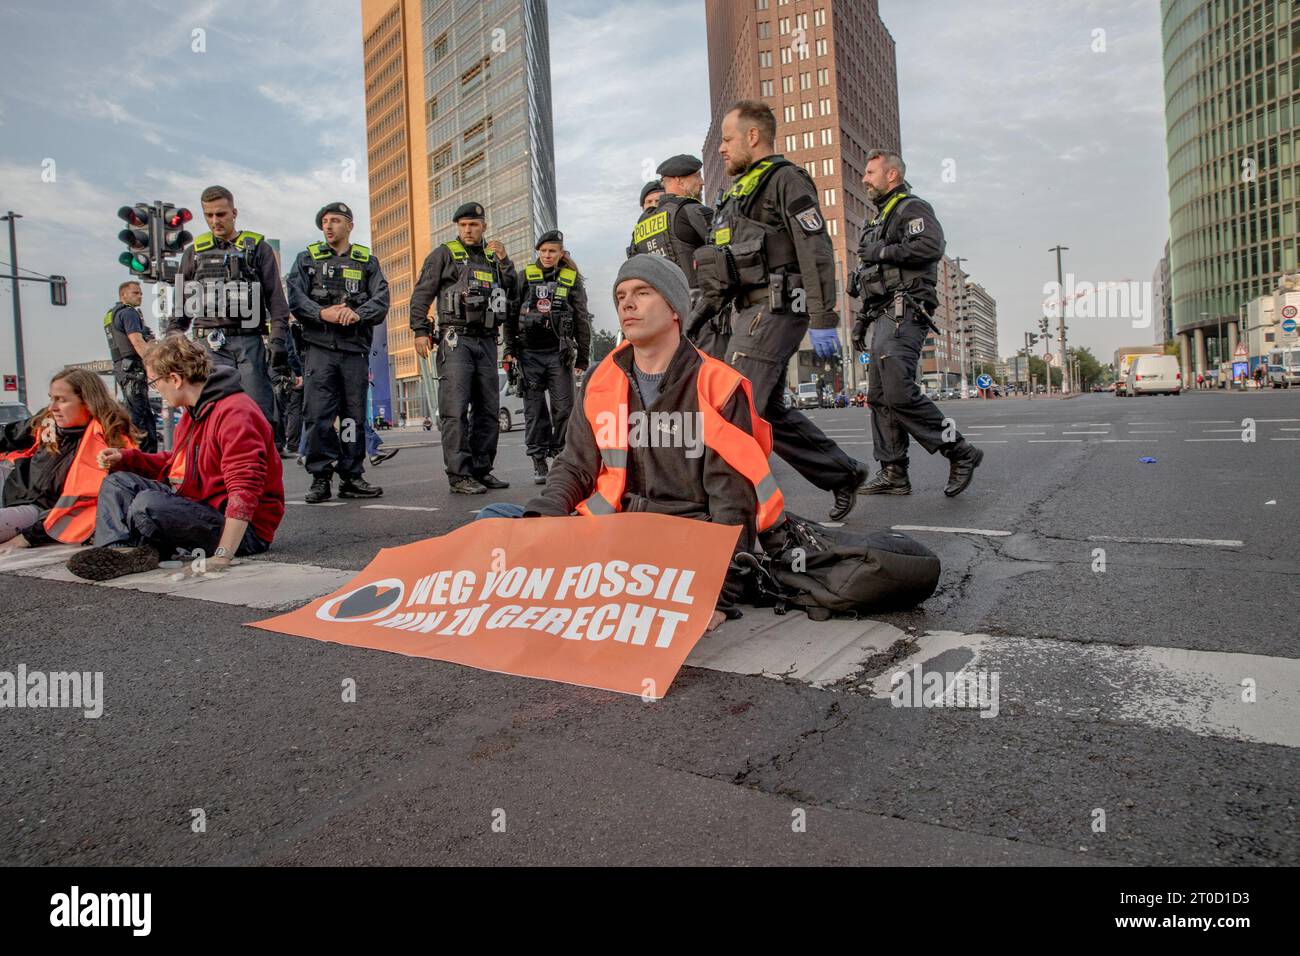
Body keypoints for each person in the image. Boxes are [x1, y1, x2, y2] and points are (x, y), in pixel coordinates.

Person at [479, 255, 785, 631]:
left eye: (642, 292)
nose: (627, 303)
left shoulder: (718, 385)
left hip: (680, 544)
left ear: (674, 309)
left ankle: (587, 585)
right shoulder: (602, 379)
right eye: (621, 295)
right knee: (494, 520)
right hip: (613, 536)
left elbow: (732, 500)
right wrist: (545, 519)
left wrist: (718, 593)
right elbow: (574, 465)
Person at [696, 100, 867, 520]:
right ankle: (842, 473)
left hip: (774, 311)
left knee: (732, 408)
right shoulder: (737, 194)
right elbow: (725, 269)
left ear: (753, 136)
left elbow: (816, 249)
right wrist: (694, 320)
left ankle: (731, 516)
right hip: (748, 313)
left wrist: (824, 318)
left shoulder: (785, 180)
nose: (721, 148)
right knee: (768, 411)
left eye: (728, 139)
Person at [67, 335, 284, 581]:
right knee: (118, 483)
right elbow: (178, 465)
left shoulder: (236, 413)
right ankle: (121, 554)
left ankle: (146, 550)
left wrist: (222, 556)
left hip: (246, 533)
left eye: (154, 382)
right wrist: (125, 458)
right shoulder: (194, 412)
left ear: (175, 379)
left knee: (148, 503)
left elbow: (244, 489)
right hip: (201, 507)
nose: (154, 389)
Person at [851, 150, 983, 498]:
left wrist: (880, 252)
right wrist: (861, 320)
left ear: (892, 175)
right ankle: (893, 472)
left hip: (905, 311)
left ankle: (960, 451)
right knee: (879, 397)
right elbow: (872, 277)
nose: (864, 179)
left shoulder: (911, 208)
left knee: (898, 392)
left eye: (870, 173)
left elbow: (929, 245)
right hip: (883, 314)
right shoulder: (877, 220)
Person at [407, 202, 515, 494]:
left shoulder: (494, 259)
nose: (468, 230)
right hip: (456, 340)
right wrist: (419, 330)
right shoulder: (444, 254)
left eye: (474, 225)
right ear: (458, 227)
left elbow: (513, 292)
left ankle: (482, 469)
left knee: (488, 409)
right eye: (464, 225)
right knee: (455, 410)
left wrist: (505, 261)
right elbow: (422, 293)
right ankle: (459, 475)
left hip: (487, 340)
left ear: (484, 226)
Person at [285, 201, 389, 504]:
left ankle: (351, 476)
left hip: (353, 351)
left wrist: (357, 315)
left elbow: (381, 300)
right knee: (318, 416)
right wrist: (323, 313)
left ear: (350, 225)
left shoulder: (367, 262)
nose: (328, 226)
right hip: (320, 351)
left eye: (335, 220)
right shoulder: (307, 259)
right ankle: (320, 478)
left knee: (351, 419)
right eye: (325, 221)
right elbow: (296, 298)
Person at [170, 185, 291, 425]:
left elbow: (277, 301)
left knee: (257, 416)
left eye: (221, 214)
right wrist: (172, 341)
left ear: (233, 213)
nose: (215, 220)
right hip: (207, 346)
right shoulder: (193, 253)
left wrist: (278, 341)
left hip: (248, 342)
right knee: (212, 419)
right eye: (209, 215)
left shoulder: (258, 249)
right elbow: (179, 308)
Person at [0, 369, 138, 553]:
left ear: (88, 403)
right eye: (51, 398)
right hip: (14, 489)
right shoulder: (47, 421)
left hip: (40, 512)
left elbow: (85, 507)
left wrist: (27, 537)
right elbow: (8, 436)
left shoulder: (106, 443)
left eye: (62, 400)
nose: (52, 407)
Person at [505, 229, 592, 484]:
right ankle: (538, 459)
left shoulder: (571, 279)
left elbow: (581, 318)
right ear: (538, 252)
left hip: (559, 355)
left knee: (564, 409)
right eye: (543, 251)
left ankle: (561, 456)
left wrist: (583, 357)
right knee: (535, 410)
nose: (547, 255)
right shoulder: (524, 277)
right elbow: (510, 317)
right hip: (529, 355)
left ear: (561, 253)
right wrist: (509, 350)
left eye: (552, 251)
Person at [629, 154, 729, 361]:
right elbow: (728, 249)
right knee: (713, 377)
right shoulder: (691, 210)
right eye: (696, 177)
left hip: (663, 318)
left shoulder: (642, 224)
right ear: (680, 181)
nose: (701, 182)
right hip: (702, 314)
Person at [103, 280, 158, 453]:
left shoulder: (112, 314)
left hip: (123, 369)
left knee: (142, 417)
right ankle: (137, 460)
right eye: (135, 293)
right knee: (139, 420)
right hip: (133, 370)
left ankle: (145, 461)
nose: (140, 296)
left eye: (140, 293)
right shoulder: (128, 313)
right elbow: (136, 341)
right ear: (123, 295)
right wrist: (152, 367)